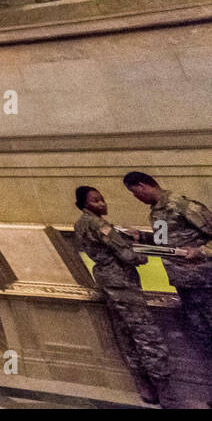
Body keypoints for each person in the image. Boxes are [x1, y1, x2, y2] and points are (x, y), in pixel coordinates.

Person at [73, 185, 177, 406]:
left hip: (106, 282)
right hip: (123, 283)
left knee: (126, 336)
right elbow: (128, 255)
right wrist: (141, 253)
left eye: (102, 199)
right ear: (84, 204)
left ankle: (145, 388)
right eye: (95, 200)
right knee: (147, 336)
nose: (102, 203)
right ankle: (165, 392)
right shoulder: (100, 224)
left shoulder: (80, 224)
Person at [122, 171, 212, 357]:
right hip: (183, 281)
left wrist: (200, 251)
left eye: (134, 192)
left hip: (203, 281)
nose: (136, 197)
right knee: (200, 329)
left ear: (142, 186)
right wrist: (141, 236)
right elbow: (163, 242)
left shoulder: (183, 206)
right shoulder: (157, 213)